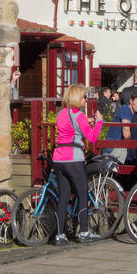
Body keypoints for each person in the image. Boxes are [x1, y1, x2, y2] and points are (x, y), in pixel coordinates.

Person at [52, 84, 104, 246]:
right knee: (82, 193)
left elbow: (69, 128)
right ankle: (84, 232)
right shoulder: (79, 116)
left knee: (63, 196)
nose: (85, 100)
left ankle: (59, 235)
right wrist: (99, 123)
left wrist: (85, 122)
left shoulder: (61, 114)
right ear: (77, 98)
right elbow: (92, 138)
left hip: (59, 159)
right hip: (74, 159)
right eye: (83, 97)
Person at [114, 89, 137, 165]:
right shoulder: (126, 110)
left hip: (120, 147)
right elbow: (126, 134)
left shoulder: (133, 113)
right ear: (131, 101)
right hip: (115, 148)